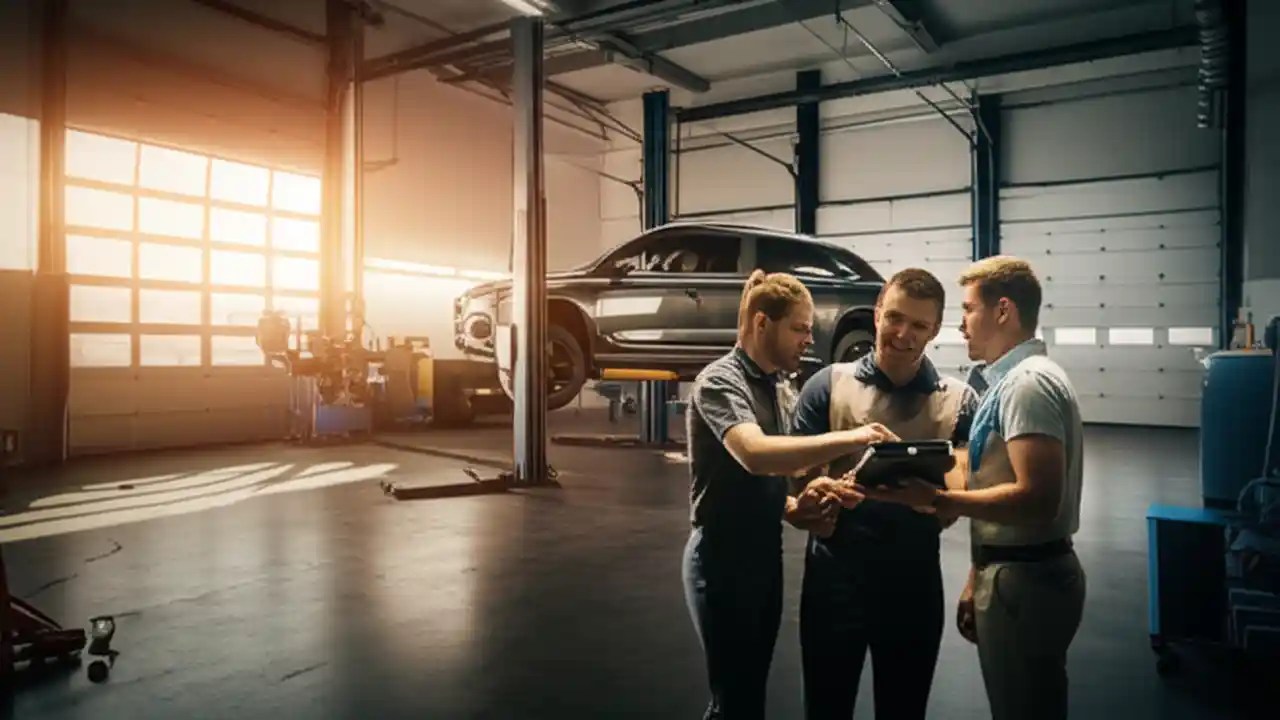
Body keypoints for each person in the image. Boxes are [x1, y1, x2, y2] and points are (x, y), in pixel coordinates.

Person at [859, 256, 1086, 720]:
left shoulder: (1029, 385)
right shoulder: (1013, 383)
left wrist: (940, 500)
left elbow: (1040, 499)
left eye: (967, 310)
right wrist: (977, 573)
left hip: (1026, 582)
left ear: (1002, 310)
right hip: (1012, 572)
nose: (960, 326)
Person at [683, 269, 896, 720]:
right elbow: (756, 455)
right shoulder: (719, 382)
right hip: (721, 559)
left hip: (764, 556)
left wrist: (800, 504)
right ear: (762, 324)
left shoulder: (781, 384)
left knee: (749, 695)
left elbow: (777, 472)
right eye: (799, 328)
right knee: (733, 701)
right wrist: (854, 438)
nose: (808, 339)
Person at [790, 268, 978, 720]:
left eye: (918, 325)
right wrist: (815, 497)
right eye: (894, 317)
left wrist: (925, 496)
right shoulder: (826, 386)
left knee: (904, 710)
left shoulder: (960, 401)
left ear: (935, 329)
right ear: (876, 314)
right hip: (834, 582)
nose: (903, 334)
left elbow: (961, 495)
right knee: (825, 709)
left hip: (913, 586)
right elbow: (796, 484)